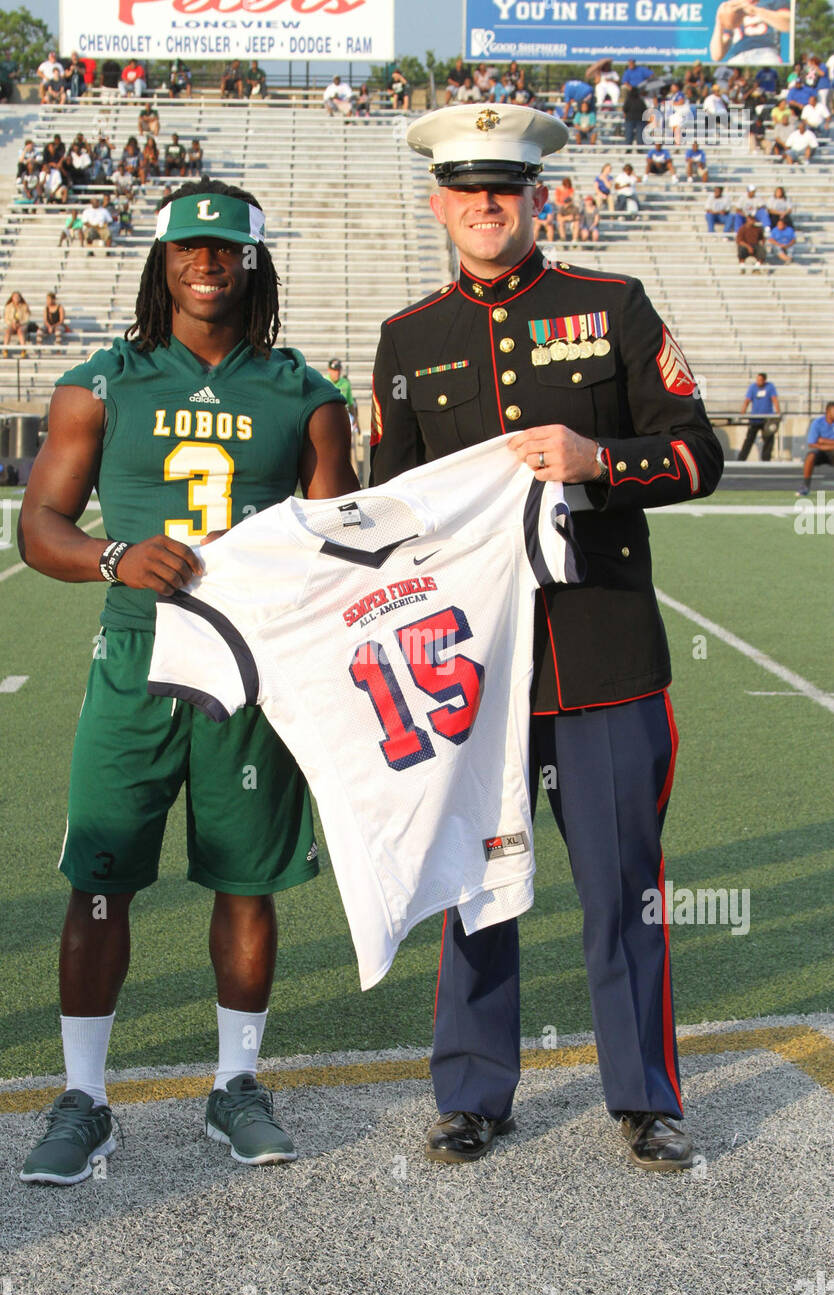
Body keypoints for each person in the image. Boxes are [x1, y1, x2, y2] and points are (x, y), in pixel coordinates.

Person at [373, 104, 723, 1170]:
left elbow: (696, 454)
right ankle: (472, 1092)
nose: (486, 205)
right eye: (466, 190)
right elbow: (388, 513)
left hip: (604, 654)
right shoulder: (408, 338)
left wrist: (597, 460)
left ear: (537, 197)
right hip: (472, 674)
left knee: (621, 885)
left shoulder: (609, 304)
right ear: (438, 204)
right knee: (473, 885)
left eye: (505, 189)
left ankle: (643, 1096)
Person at [17, 177, 356, 1185]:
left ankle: (235, 1084)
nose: (205, 266)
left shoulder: (306, 394)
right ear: (159, 263)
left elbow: (339, 548)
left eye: (225, 251)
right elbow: (39, 527)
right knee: (100, 882)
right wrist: (118, 557)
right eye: (187, 250)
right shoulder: (100, 384)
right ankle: (84, 1096)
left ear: (254, 264)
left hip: (250, 671)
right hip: (135, 661)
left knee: (246, 884)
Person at [738, 372, 779, 458]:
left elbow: (774, 399)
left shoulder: (770, 387)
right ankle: (741, 459)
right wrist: (742, 412)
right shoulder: (753, 387)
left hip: (767, 419)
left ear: (764, 380)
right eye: (757, 380)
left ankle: (766, 460)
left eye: (760, 380)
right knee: (749, 440)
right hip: (755, 419)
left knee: (768, 440)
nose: (758, 382)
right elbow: (747, 401)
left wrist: (778, 412)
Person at [797, 401, 834, 495]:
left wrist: (822, 440)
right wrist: (827, 445)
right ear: (827, 411)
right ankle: (805, 486)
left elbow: (818, 441)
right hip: (821, 451)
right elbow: (812, 443)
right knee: (810, 456)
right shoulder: (817, 423)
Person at [324, 358, 358, 435]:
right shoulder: (323, 382)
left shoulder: (346, 383)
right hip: (327, 414)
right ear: (329, 370)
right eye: (335, 370)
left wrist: (355, 419)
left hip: (343, 413)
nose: (337, 373)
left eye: (339, 370)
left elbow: (350, 403)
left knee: (352, 425)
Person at [2, 291, 33, 357]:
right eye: (15, 297)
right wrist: (12, 323)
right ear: (12, 298)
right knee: (7, 331)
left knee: (20, 332)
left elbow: (27, 318)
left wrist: (20, 323)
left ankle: (23, 350)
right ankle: (5, 349)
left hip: (22, 324)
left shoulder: (24, 306)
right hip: (12, 324)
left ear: (20, 298)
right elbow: (6, 318)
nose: (16, 298)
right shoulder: (8, 307)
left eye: (17, 297)